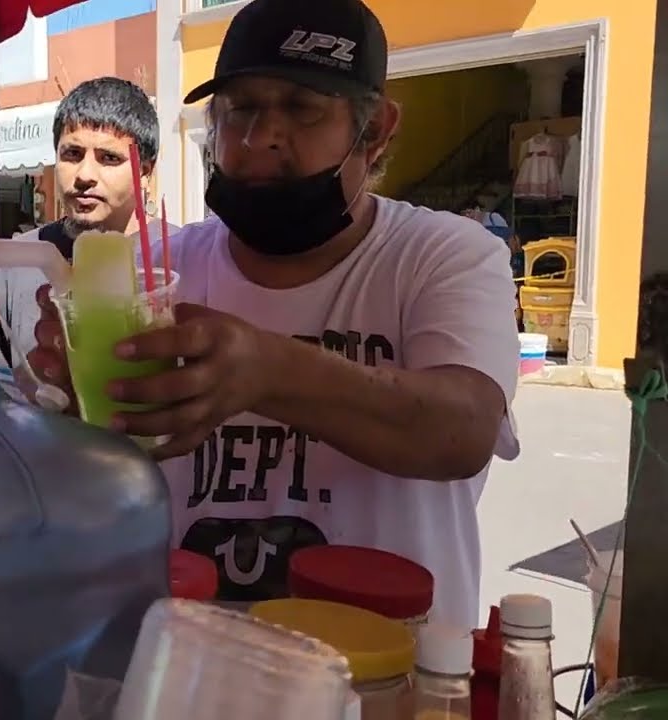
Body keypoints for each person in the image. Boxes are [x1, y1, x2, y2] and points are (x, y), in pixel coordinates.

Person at [26, 0, 520, 630]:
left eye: (301, 107)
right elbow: (95, 481)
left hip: (389, 677)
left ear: (374, 131)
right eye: (240, 110)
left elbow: (464, 429)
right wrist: (68, 405)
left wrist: (265, 370)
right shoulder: (152, 271)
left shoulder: (442, 254)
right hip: (195, 667)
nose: (260, 138)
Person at [0, 76, 176, 369]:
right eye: (73, 154)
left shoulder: (179, 257)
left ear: (145, 170)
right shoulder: (19, 262)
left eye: (109, 158)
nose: (85, 175)